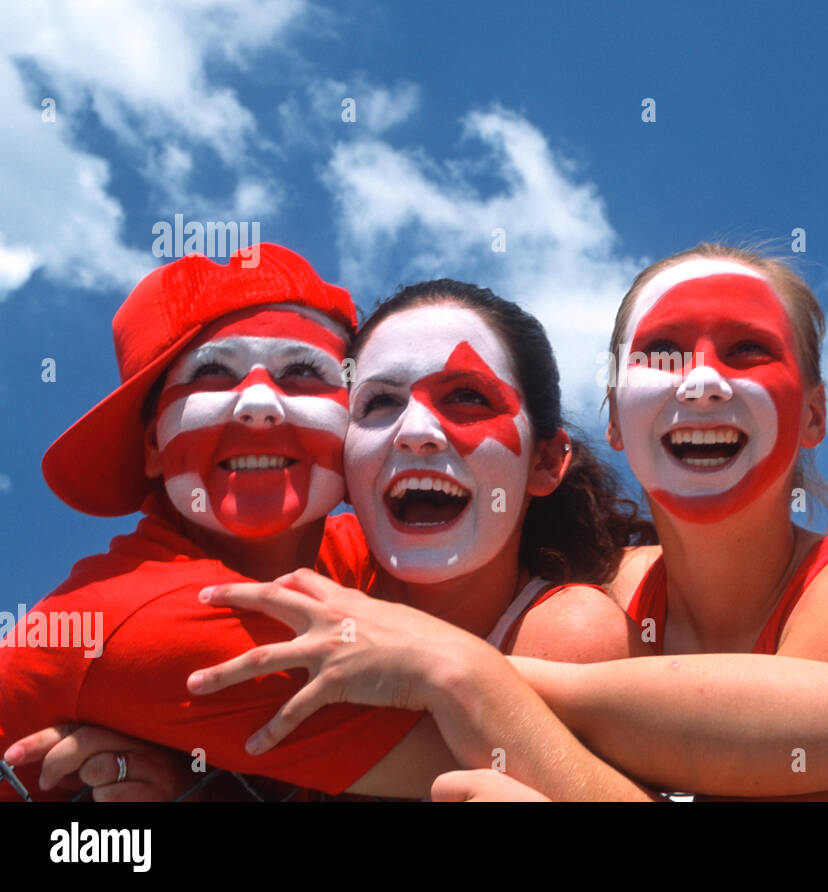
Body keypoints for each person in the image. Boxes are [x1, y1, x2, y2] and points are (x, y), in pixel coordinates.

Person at [175, 243, 828, 802]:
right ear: (616, 417)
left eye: (746, 351)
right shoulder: (587, 606)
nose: (703, 382)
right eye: (665, 354)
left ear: (811, 414)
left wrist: (457, 673)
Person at [2, 256, 646, 801]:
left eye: (304, 375)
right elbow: (529, 763)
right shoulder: (136, 618)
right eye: (212, 374)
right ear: (150, 446)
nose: (257, 405)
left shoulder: (351, 560)